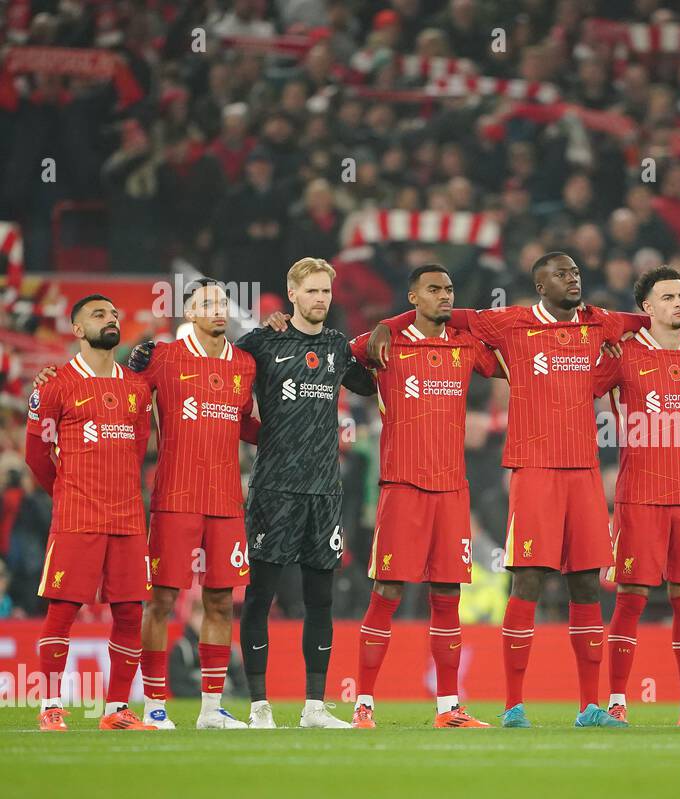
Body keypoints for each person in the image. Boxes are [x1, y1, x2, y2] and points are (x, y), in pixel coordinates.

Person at [364, 252, 680, 727]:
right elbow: (443, 313)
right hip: (534, 468)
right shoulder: (512, 324)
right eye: (561, 274)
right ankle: (514, 706)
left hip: (582, 471)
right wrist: (387, 328)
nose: (572, 279)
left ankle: (590, 707)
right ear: (541, 286)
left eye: (576, 272)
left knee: (584, 584)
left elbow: (658, 317)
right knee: (530, 580)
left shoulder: (599, 323)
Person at [136, 258, 377, 728]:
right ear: (292, 293)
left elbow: (368, 382)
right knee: (241, 597)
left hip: (316, 492)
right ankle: (245, 705)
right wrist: (136, 352)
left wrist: (381, 339)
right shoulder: (257, 345)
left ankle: (307, 708)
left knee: (303, 599)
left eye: (326, 291)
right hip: (261, 490)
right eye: (311, 291)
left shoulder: (328, 348)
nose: (320, 299)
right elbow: (153, 379)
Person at [38, 281, 263, 729]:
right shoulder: (159, 358)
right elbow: (106, 389)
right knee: (156, 602)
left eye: (222, 303)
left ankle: (209, 710)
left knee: (220, 603)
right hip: (172, 499)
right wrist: (50, 383)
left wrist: (298, 428)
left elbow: (247, 425)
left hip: (225, 501)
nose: (217, 310)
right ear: (188, 313)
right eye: (205, 304)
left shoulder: (245, 364)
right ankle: (155, 707)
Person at [343, 264, 499, 729]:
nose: (444, 295)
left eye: (449, 288)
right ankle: (364, 704)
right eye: (434, 289)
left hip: (452, 489)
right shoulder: (386, 344)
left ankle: (449, 707)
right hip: (402, 486)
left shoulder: (465, 344)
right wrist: (386, 326)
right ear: (413, 295)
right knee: (387, 591)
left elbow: (502, 354)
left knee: (447, 594)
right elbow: (343, 356)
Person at [591, 265, 680, 726]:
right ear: (646, 307)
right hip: (640, 494)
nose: (678, 303)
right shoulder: (624, 353)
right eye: (667, 297)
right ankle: (616, 701)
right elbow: (581, 389)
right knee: (631, 595)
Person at [26, 295, 156, 731]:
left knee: (131, 612)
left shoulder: (137, 388)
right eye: (99, 315)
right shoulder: (55, 384)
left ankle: (116, 709)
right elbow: (36, 454)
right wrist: (66, 492)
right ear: (78, 330)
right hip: (78, 516)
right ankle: (50, 706)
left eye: (115, 314)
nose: (111, 319)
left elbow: (139, 450)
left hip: (127, 518)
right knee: (63, 609)